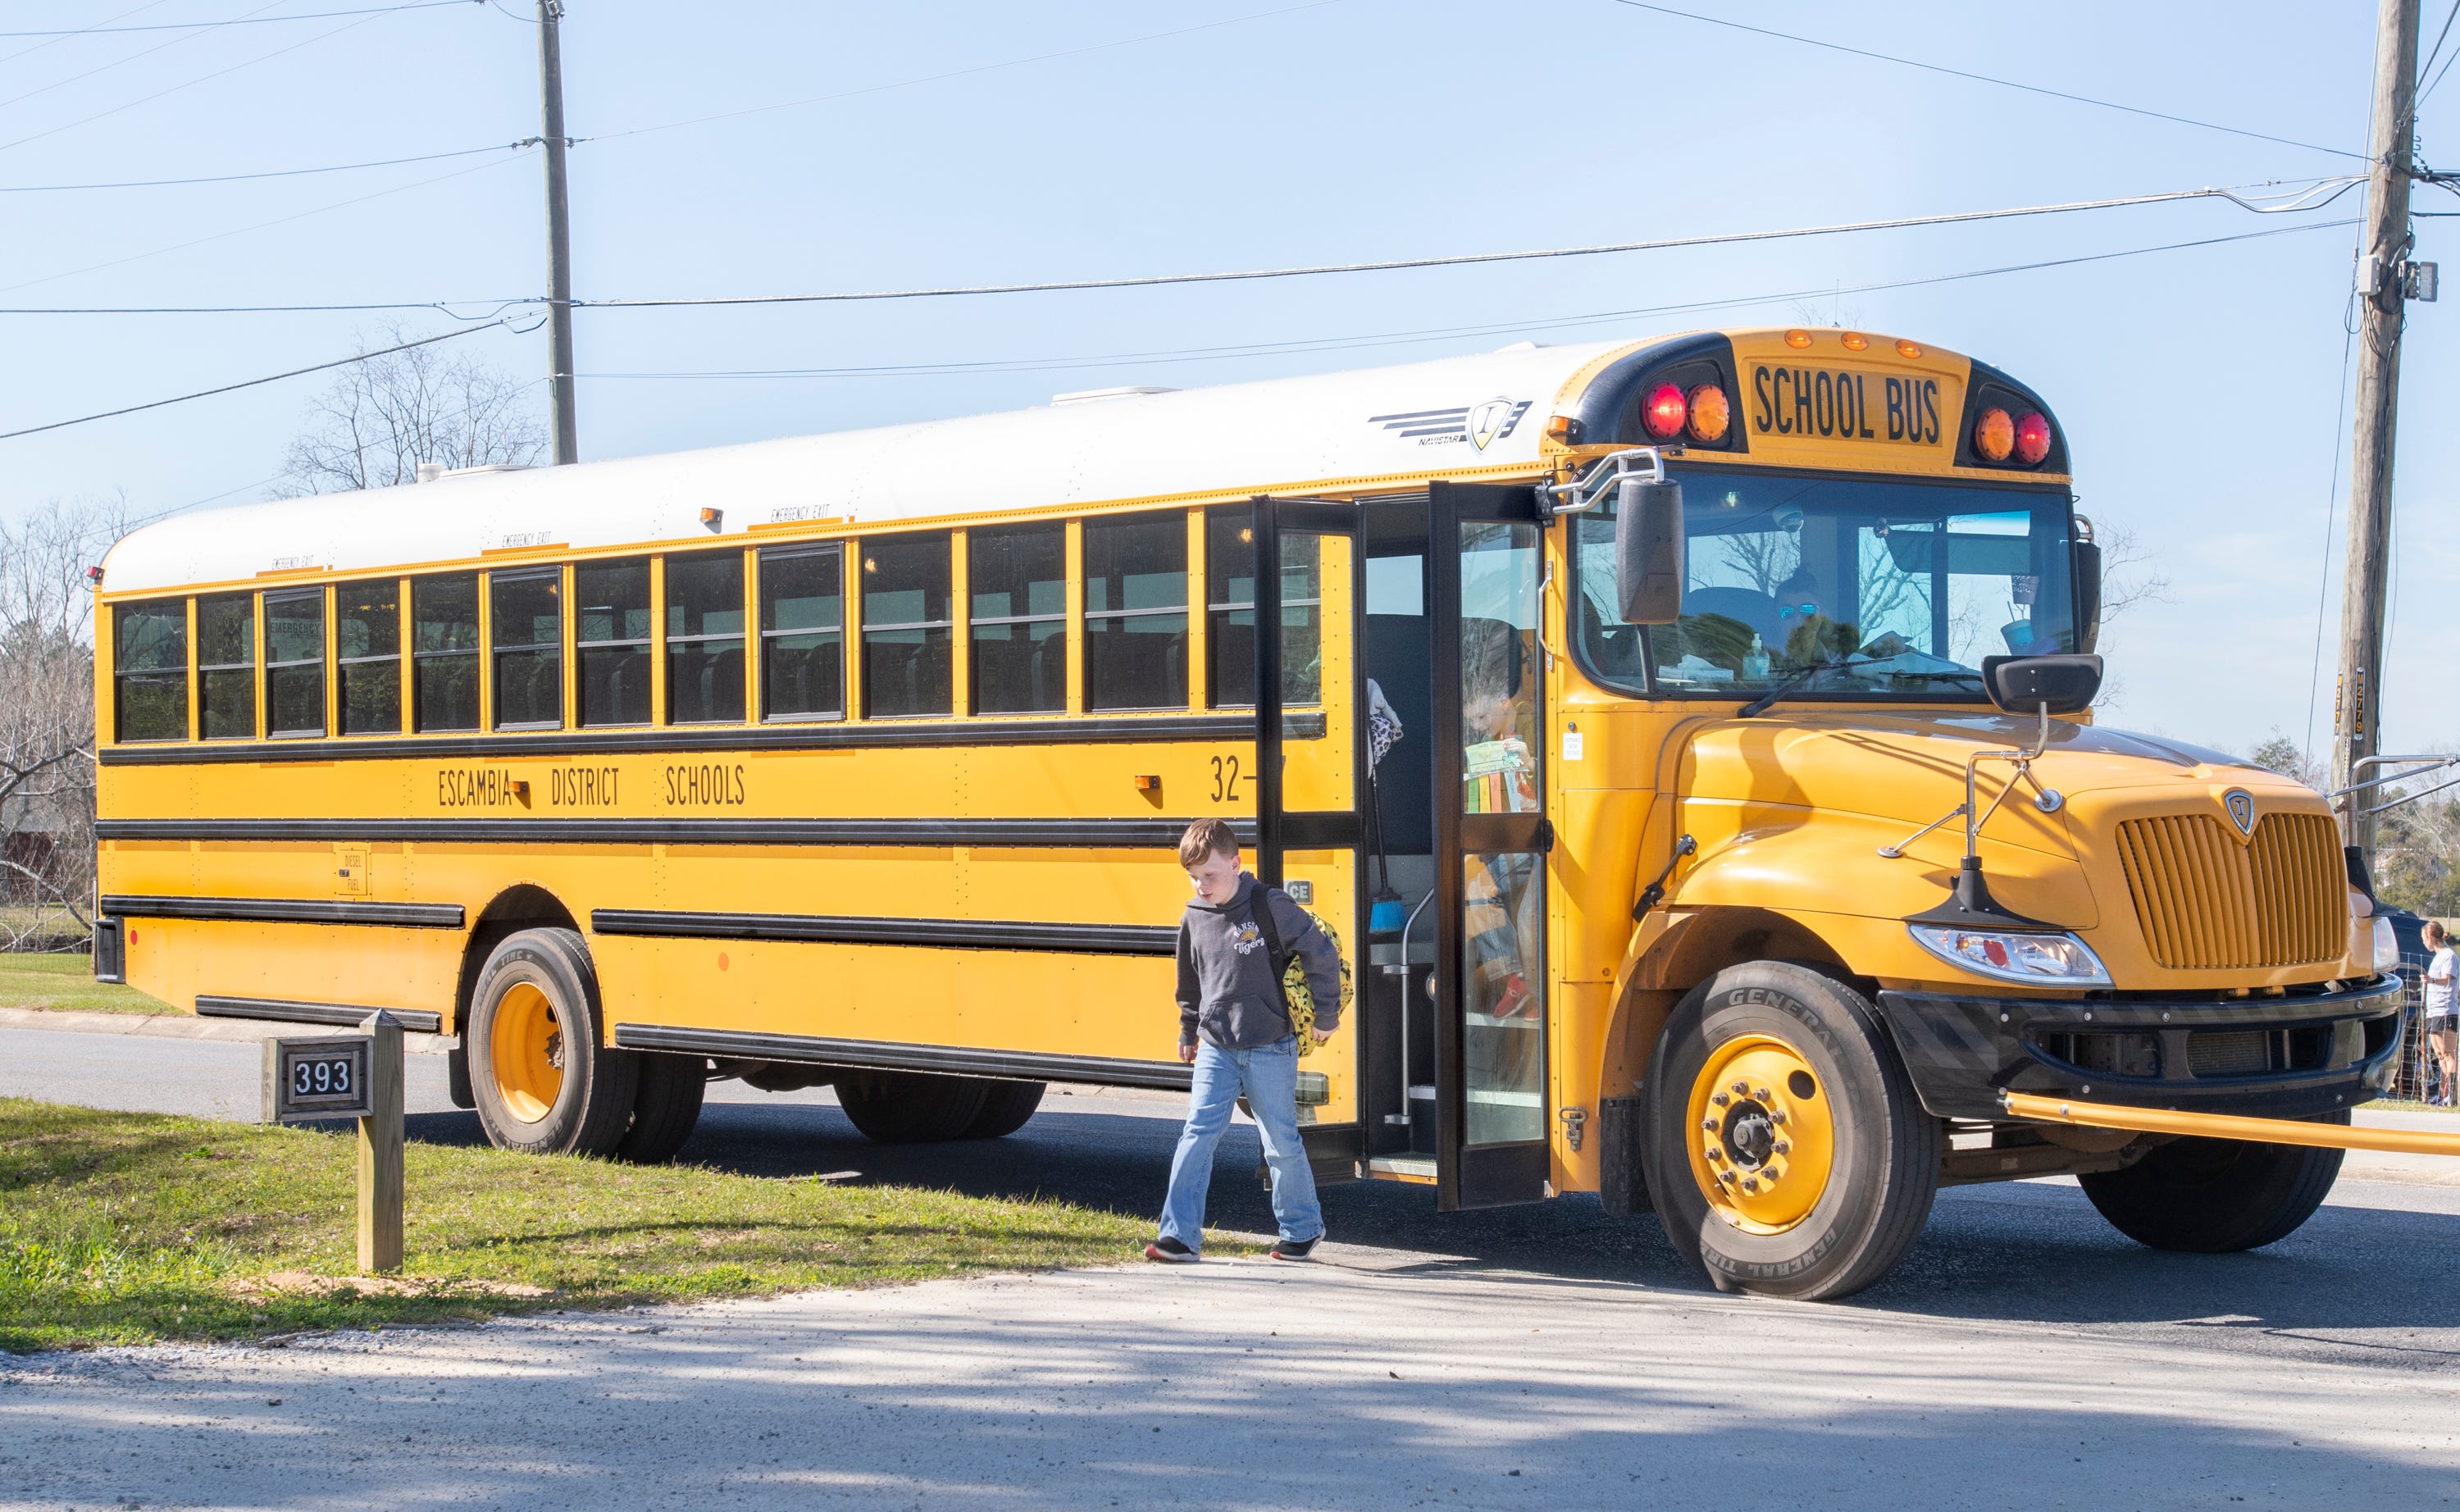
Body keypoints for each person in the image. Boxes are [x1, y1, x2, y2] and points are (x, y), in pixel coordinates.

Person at [1146, 817, 1342, 1264]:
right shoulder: (1194, 917)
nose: (1202, 885)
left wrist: (1326, 1013)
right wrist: (1187, 1028)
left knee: (1280, 1139)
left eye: (1210, 876)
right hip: (1217, 1043)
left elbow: (1321, 954)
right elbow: (1190, 982)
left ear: (1236, 863)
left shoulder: (1269, 904)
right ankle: (1179, 1236)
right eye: (1194, 877)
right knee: (1197, 1133)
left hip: (1271, 1043)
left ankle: (1302, 1229)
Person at [2425, 921, 2456, 1106]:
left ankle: (2451, 1095)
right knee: (2439, 1054)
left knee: (2448, 1054)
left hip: (2446, 1010)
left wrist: (2432, 980)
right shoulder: (2437, 958)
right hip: (2433, 1010)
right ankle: (2441, 1094)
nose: (2424, 943)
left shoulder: (2449, 956)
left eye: (2424, 939)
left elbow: (2447, 980)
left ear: (2430, 938)